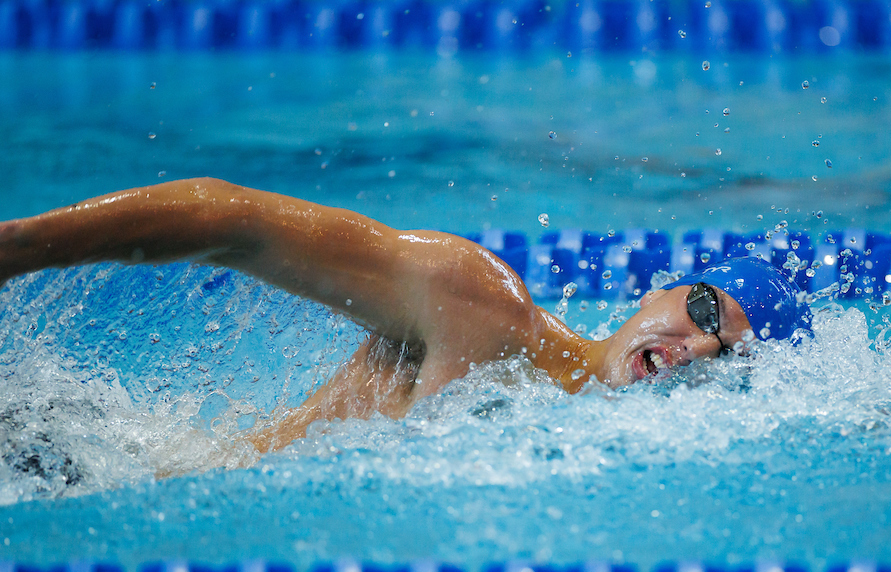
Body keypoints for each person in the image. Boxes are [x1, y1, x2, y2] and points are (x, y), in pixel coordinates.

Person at [0, 178, 811, 453]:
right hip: (74, 464)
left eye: (731, 358)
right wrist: (22, 248)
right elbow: (236, 222)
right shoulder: (482, 308)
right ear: (657, 292)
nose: (699, 347)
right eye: (704, 309)